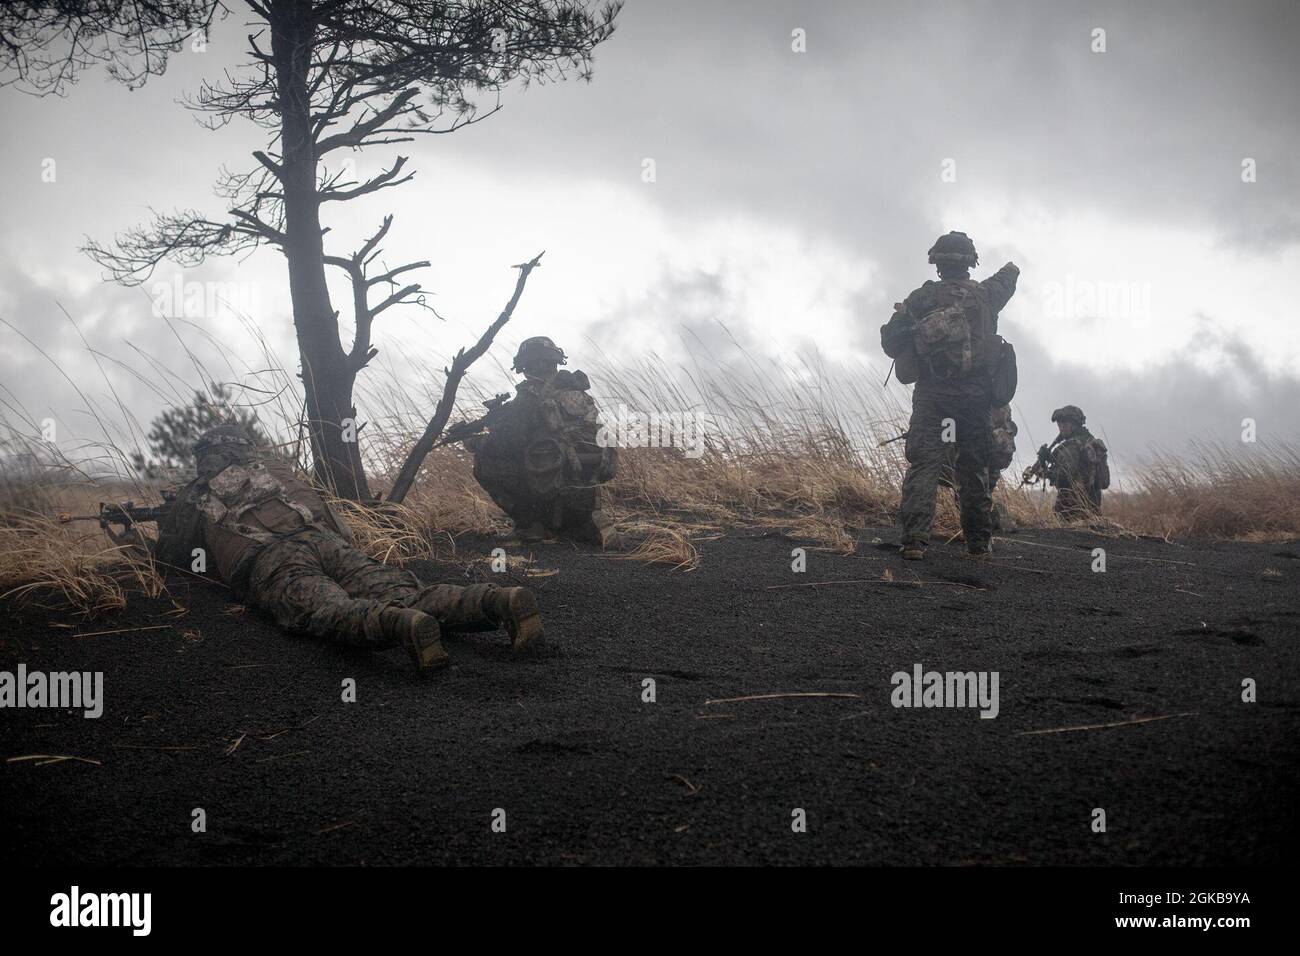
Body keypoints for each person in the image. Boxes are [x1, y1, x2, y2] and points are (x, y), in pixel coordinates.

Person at [108, 425, 543, 673]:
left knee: (326, 609)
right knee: (408, 588)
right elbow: (326, 513)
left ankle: (401, 626)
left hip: (272, 562)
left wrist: (130, 534)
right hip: (329, 543)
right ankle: (496, 600)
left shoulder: (195, 495)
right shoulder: (280, 473)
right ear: (244, 450)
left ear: (204, 459)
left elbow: (170, 562)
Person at [881, 231, 1020, 560]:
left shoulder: (922, 298)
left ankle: (914, 541)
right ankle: (978, 543)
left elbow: (890, 343)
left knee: (924, 465)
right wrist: (1013, 267)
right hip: (975, 398)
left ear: (937, 263)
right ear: (970, 263)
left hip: (933, 395)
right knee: (975, 468)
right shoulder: (988, 295)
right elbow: (1008, 278)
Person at [461, 337, 620, 547]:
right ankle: (580, 524)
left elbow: (508, 442)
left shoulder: (530, 397)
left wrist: (475, 443)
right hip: (586, 481)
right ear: (555, 361)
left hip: (551, 480)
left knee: (486, 460)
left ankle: (529, 525)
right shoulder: (577, 393)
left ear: (525, 366)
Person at [941, 403, 1018, 533]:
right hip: (964, 460)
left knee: (976, 494)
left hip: (983, 462)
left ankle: (981, 521)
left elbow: (1003, 456)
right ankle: (976, 520)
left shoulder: (1000, 414)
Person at [1042, 405, 1108, 518]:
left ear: (1074, 424)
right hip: (1093, 504)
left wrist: (1045, 472)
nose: (1061, 427)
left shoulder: (1072, 445)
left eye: (1065, 424)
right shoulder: (1090, 441)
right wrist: (1049, 458)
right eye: (1059, 424)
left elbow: (1064, 476)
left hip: (1071, 506)